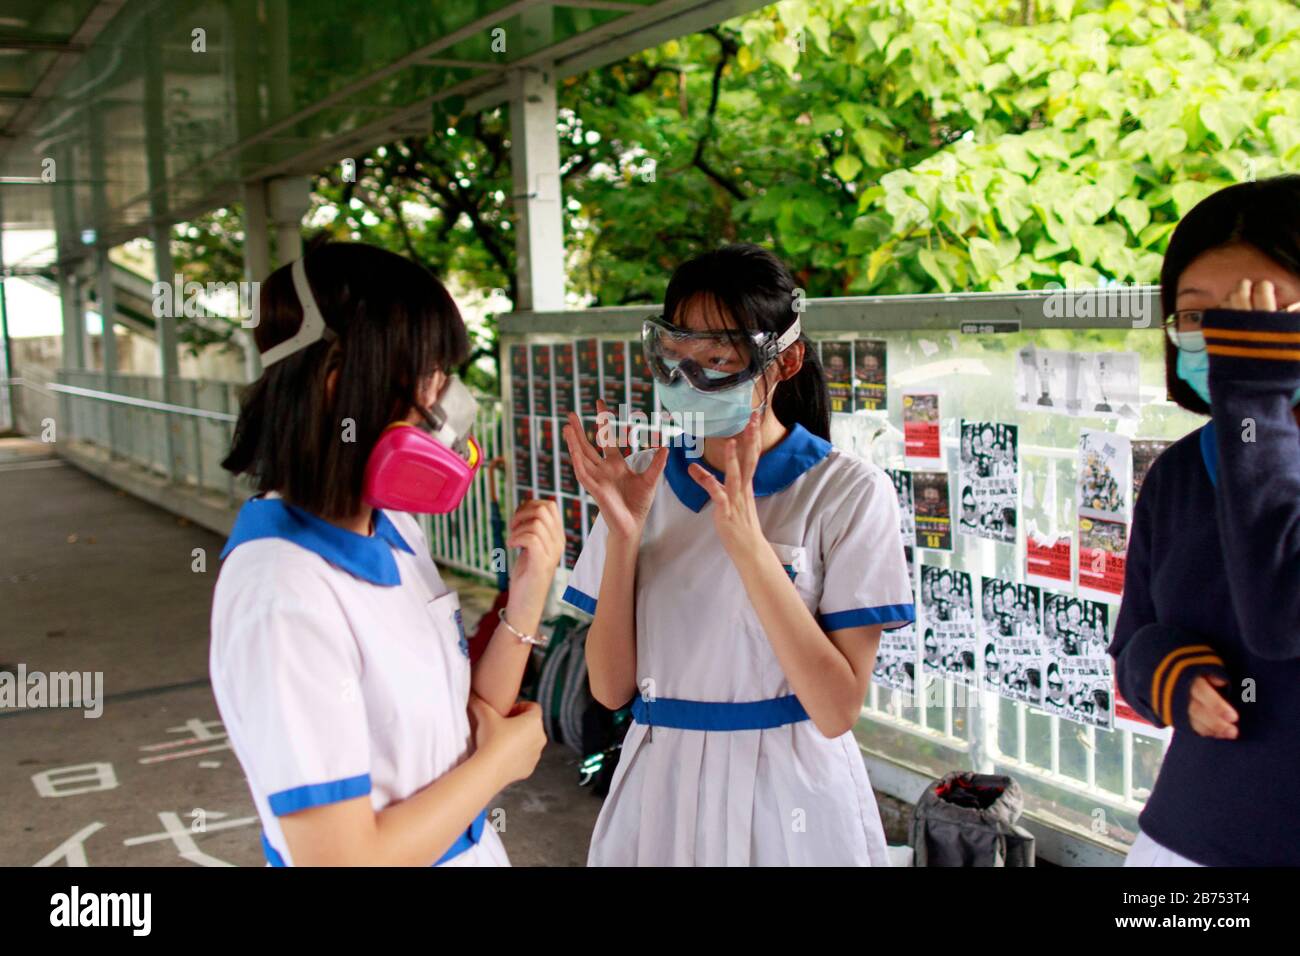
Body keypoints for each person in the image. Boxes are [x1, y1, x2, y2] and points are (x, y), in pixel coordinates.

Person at [560, 244, 914, 866]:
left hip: (792, 794)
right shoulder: (639, 481)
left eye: (718, 358)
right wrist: (623, 536)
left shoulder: (849, 492)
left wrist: (750, 548)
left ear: (788, 359)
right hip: (659, 782)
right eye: (675, 355)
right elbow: (612, 689)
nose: (689, 378)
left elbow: (836, 710)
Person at [210, 243, 560, 866]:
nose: (446, 402)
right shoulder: (283, 591)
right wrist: (499, 766)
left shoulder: (390, 528)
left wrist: (529, 596)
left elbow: (466, 724)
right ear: (341, 384)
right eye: (427, 373)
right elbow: (341, 859)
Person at [1109, 175, 1300, 867]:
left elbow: (1280, 617)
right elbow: (1131, 643)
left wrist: (1254, 401)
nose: (1227, 337)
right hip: (1187, 840)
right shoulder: (1184, 471)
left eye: (1259, 310)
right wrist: (1168, 672)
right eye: (1197, 315)